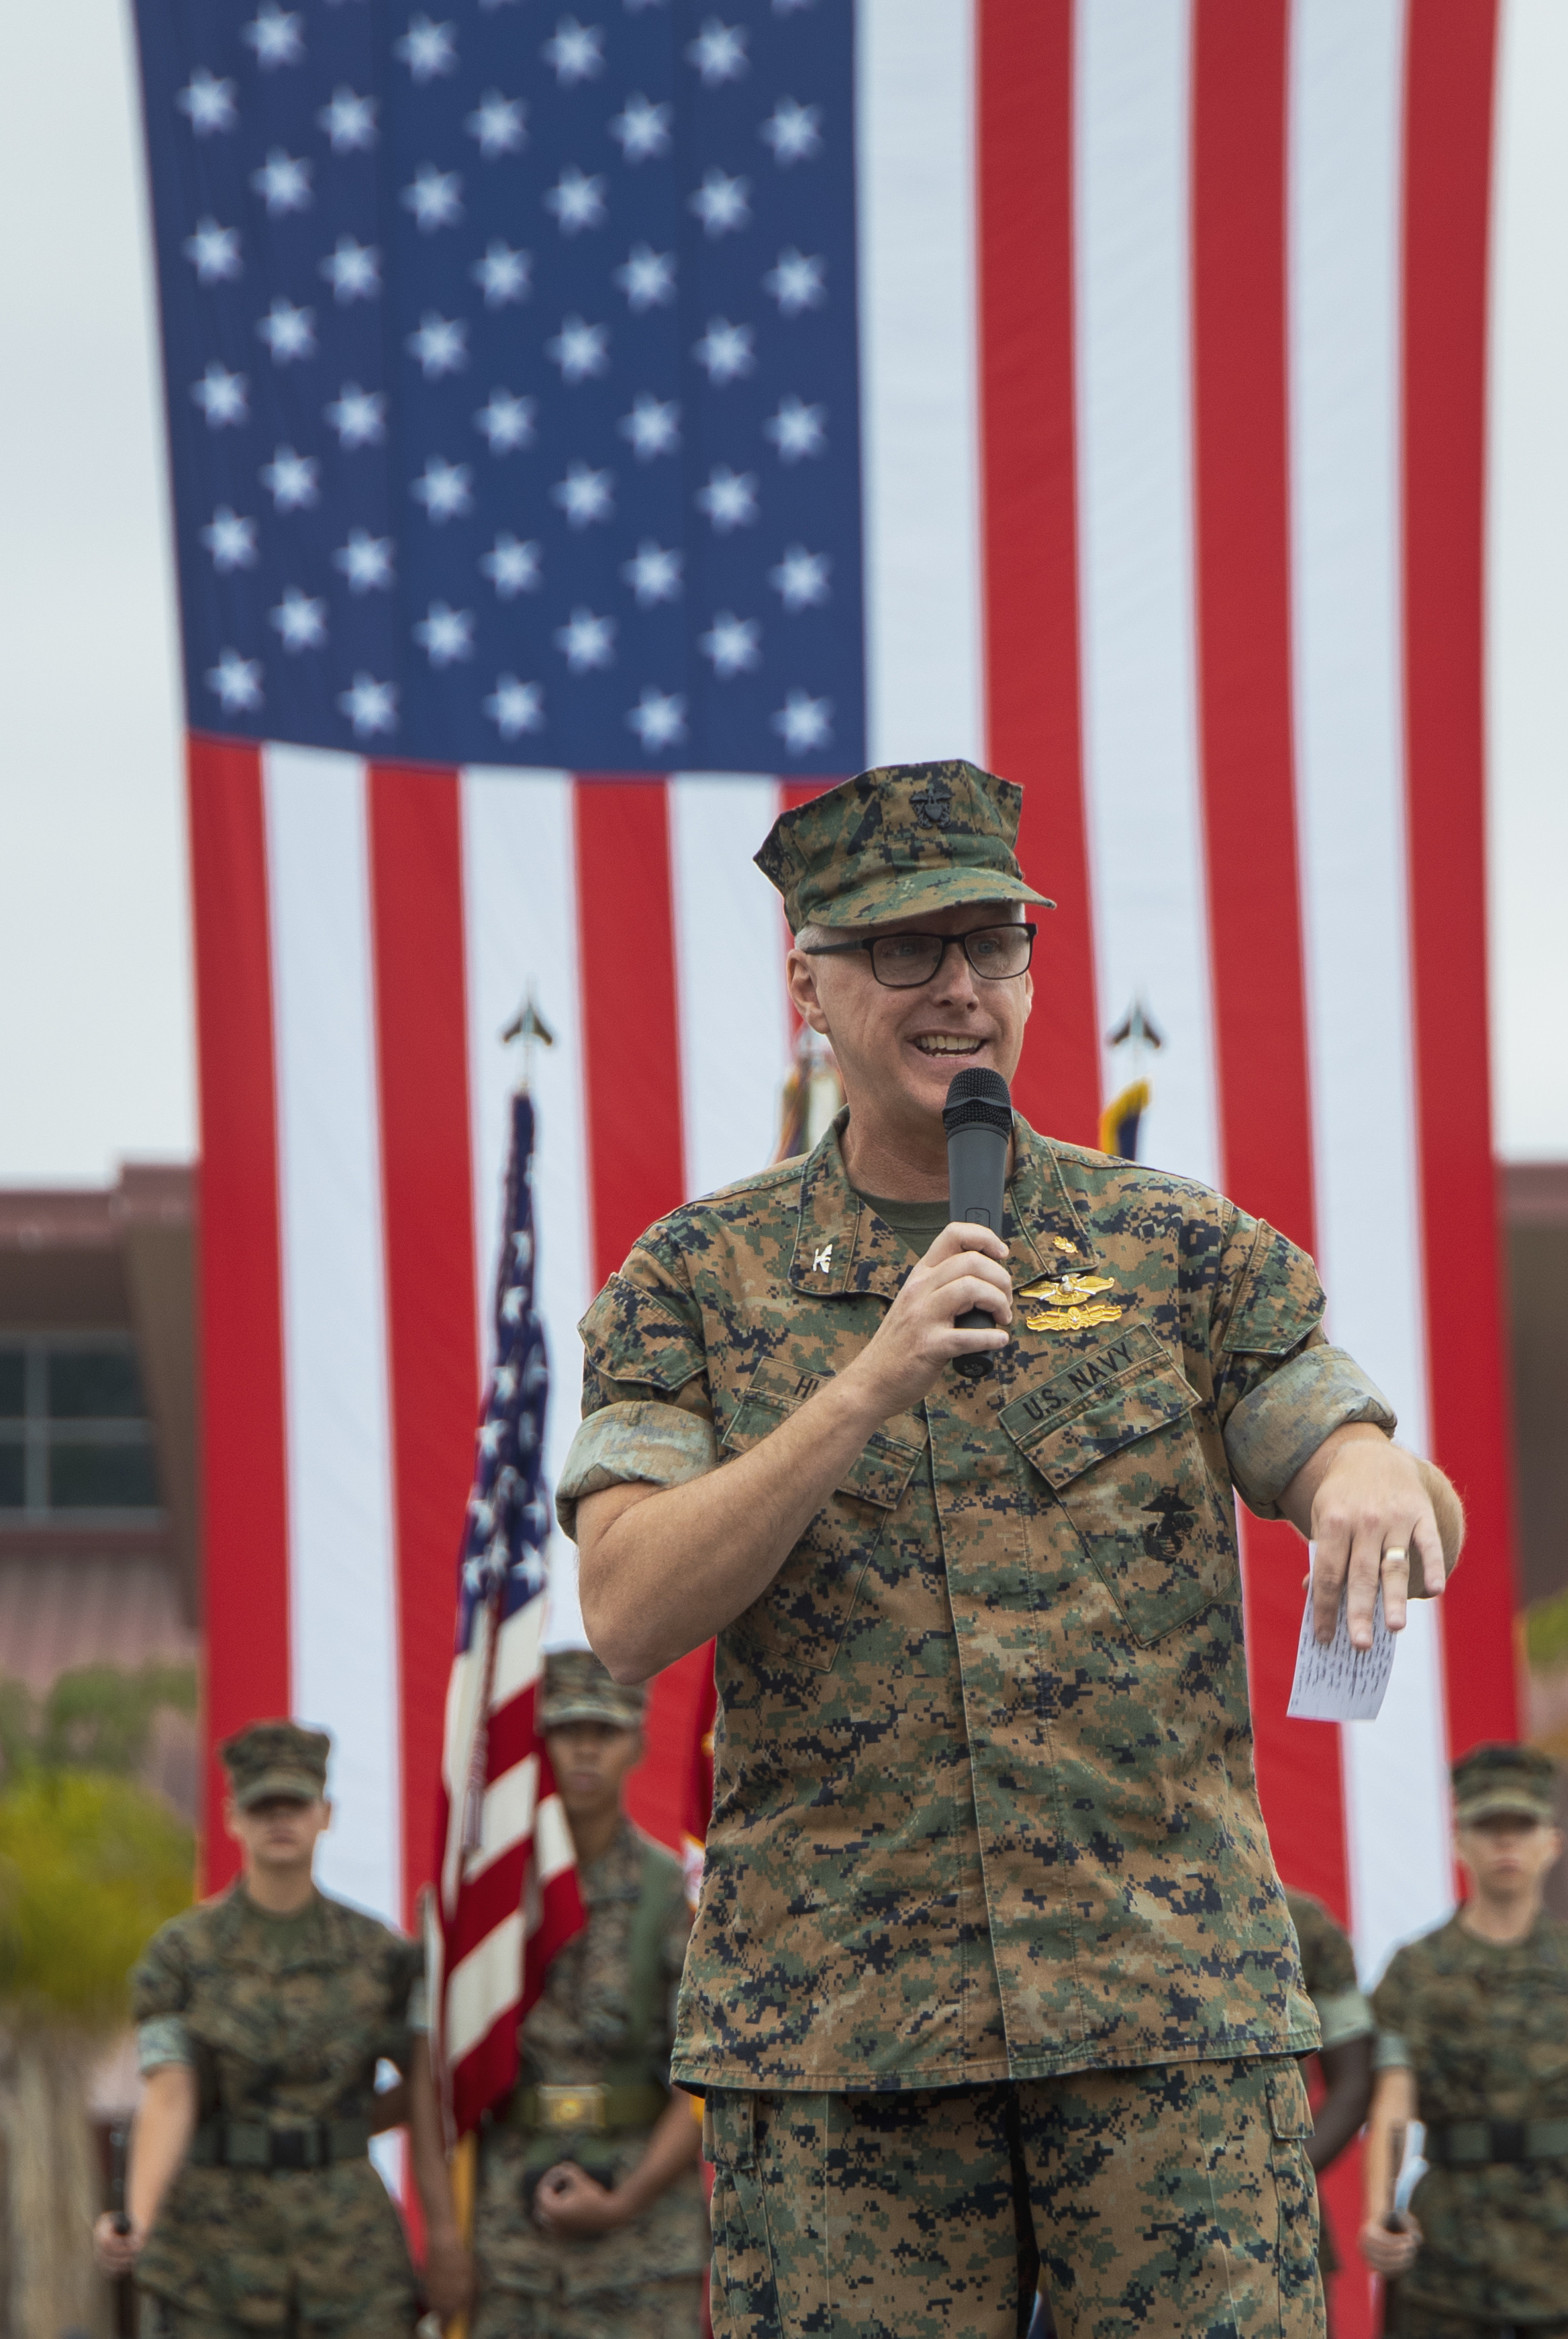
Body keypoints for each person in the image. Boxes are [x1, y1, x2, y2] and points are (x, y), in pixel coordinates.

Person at [560, 757, 1465, 2339]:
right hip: (843, 2044)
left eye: (991, 942)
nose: (959, 989)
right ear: (809, 986)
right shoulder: (693, 1280)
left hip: (1162, 2022)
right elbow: (628, 1610)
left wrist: (1370, 1470)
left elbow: (1340, 1446)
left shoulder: (1172, 1247)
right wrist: (866, 1382)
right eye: (905, 949)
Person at [93, 1718, 470, 2338]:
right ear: (232, 1818)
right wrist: (140, 2217)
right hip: (215, 2257)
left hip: (350, 2254)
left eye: (294, 1803)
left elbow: (425, 2099)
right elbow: (169, 2095)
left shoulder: (380, 1956)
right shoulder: (183, 1954)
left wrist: (446, 2237)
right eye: (260, 1805)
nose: (279, 1819)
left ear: (326, 1813)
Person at [1360, 1742, 1568, 2338]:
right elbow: (1392, 2104)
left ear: (1552, 1842)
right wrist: (1376, 2213)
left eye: (1523, 1825)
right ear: (1459, 1842)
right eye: (1488, 1826)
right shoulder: (1414, 1972)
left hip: (1566, 2256)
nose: (1506, 1842)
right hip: (1449, 2259)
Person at [471, 1648, 707, 2339]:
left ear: (638, 1744)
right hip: (513, 2226)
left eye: (603, 1731)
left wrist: (624, 2200)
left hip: (643, 2231)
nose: (583, 1749)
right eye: (566, 1729)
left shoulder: (672, 1897)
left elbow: (700, 2082)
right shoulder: (492, 1901)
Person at [1285, 1889, 1376, 2330]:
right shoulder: (1090, 1903)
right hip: (1118, 2228)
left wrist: (1282, 2174)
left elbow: (1354, 2084)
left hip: (1278, 2234)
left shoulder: (1298, 1921)